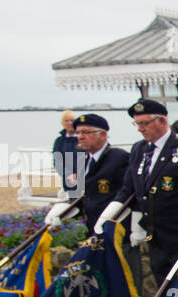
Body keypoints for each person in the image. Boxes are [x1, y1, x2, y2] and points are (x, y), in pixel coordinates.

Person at [99, 99, 178, 286]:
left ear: (161, 121)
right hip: (155, 237)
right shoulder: (139, 149)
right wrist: (109, 215)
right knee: (162, 290)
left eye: (144, 123)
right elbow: (129, 189)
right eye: (137, 123)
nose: (140, 128)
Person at [45, 113, 142, 287]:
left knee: (128, 287)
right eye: (78, 133)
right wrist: (65, 210)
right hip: (96, 236)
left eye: (86, 132)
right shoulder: (84, 161)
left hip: (120, 237)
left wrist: (137, 225)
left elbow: (133, 193)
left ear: (102, 134)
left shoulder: (118, 158)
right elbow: (85, 196)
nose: (80, 137)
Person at [51, 109, 83, 199]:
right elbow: (57, 162)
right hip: (70, 181)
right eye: (66, 121)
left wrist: (79, 175)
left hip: (86, 179)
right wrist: (68, 175)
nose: (69, 123)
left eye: (72, 120)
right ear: (63, 123)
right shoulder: (59, 141)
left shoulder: (84, 138)